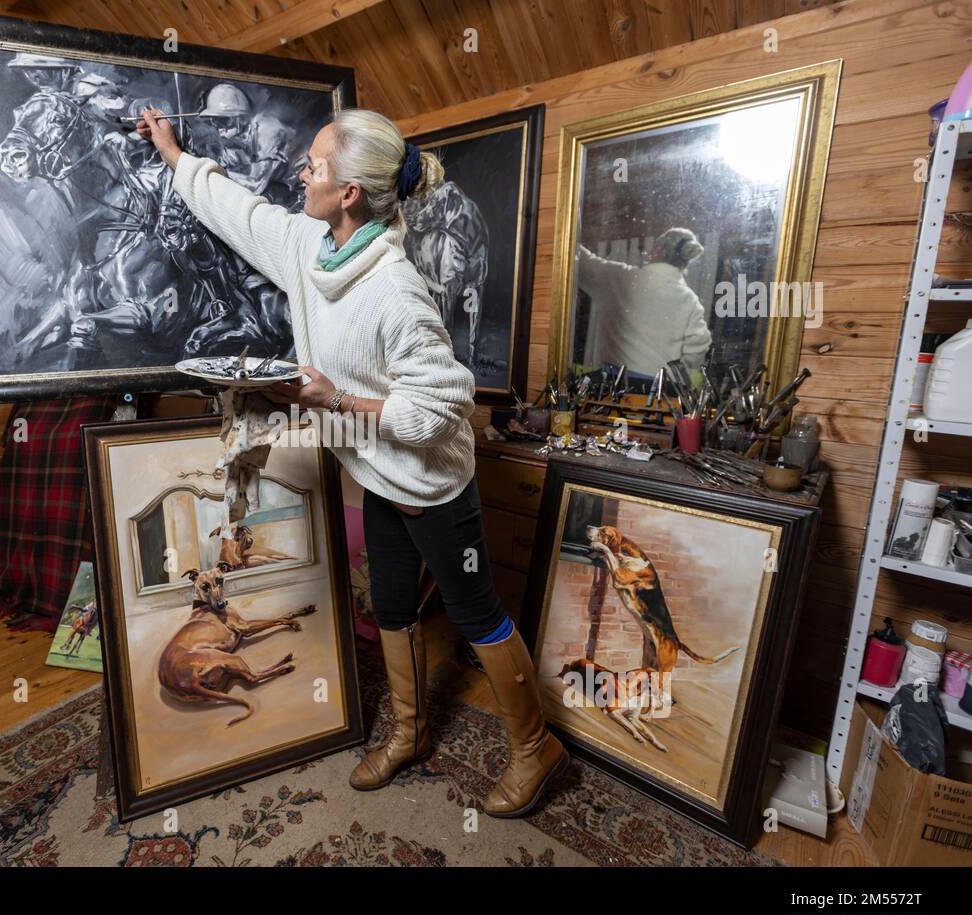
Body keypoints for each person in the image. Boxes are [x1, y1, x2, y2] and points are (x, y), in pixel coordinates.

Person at [135, 106, 569, 818]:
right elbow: (240, 213)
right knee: (392, 605)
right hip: (374, 470)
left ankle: (535, 747)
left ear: (350, 195)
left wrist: (338, 396)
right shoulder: (311, 244)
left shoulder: (395, 290)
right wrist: (175, 155)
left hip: (430, 480)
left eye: (313, 164)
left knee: (474, 611)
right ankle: (409, 732)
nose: (299, 172)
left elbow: (444, 406)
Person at [576, 227, 712, 380]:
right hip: (663, 391)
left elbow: (582, 262)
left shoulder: (621, 278)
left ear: (657, 248)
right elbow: (698, 347)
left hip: (616, 385)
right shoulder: (689, 299)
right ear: (685, 260)